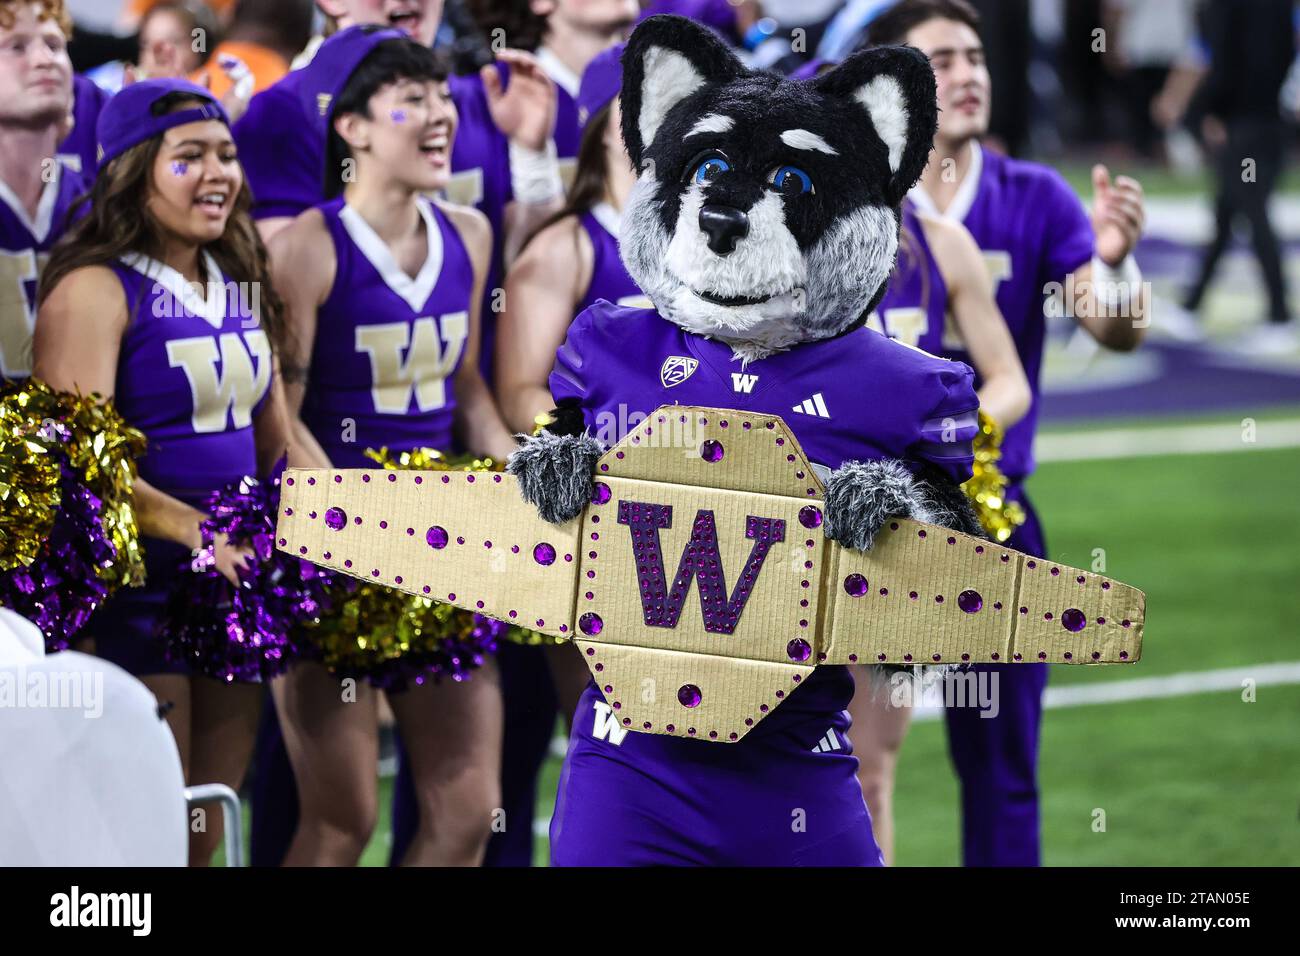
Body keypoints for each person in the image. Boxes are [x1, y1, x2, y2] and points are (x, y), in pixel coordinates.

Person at [862, 0, 1148, 866]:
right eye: (941, 59)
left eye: (976, 56)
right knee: (855, 763)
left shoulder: (1033, 195)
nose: (970, 73)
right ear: (897, 87)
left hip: (992, 517)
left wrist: (1113, 261)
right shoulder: (851, 209)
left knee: (1000, 764)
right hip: (866, 527)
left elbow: (1111, 326)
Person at [267, 34, 517, 865]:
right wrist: (357, 524)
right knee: (342, 822)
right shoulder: (304, 245)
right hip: (332, 547)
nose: (441, 114)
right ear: (355, 129)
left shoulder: (473, 235)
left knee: (469, 810)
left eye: (443, 97)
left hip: (442, 542)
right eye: (412, 99)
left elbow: (468, 389)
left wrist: (518, 472)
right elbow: (279, 418)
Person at [33, 78, 293, 865]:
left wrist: (363, 527)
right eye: (189, 157)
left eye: (226, 154)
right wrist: (191, 525)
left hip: (231, 583)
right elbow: (83, 462)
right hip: (138, 593)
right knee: (143, 839)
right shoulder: (92, 289)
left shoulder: (239, 278)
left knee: (204, 831)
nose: (218, 173)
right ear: (132, 170)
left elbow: (276, 445)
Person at [489, 41, 646, 867]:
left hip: (694, 527)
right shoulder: (566, 245)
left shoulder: (711, 250)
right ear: (607, 126)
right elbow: (521, 390)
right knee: (609, 742)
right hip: (594, 528)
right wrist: (603, 469)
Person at [852, 197, 1031, 863]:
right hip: (796, 526)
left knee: (870, 773)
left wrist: (954, 431)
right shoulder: (786, 223)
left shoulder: (942, 240)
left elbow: (1009, 379)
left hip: (899, 537)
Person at [1179, 0, 1296, 353]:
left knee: (1253, 211)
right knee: (1227, 210)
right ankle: (1192, 305)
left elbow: (1224, 58)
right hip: (1267, 117)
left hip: (1244, 124)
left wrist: (1207, 111)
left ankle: (1280, 315)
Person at [0, 0, 85, 382]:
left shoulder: (100, 207)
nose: (43, 60)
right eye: (16, 46)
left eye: (54, 45)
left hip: (82, 437)